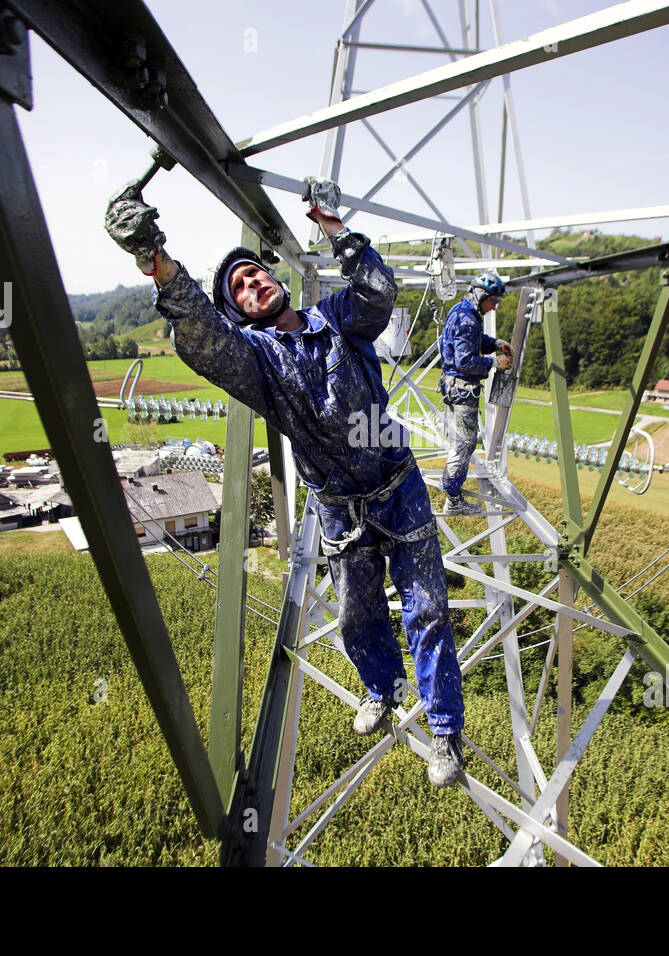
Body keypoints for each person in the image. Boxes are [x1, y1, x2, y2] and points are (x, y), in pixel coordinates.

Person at [104, 176, 466, 786]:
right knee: (357, 613)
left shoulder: (338, 320)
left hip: (397, 488)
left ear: (276, 279)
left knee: (427, 610)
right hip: (338, 507)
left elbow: (378, 292)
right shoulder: (255, 363)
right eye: (240, 288)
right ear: (238, 312)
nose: (253, 283)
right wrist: (157, 263)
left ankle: (446, 731)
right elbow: (201, 339)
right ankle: (380, 688)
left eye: (255, 273)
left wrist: (334, 228)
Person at [437, 273, 513, 516]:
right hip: (462, 390)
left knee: (459, 442)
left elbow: (473, 341)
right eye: (494, 301)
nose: (495, 307)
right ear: (482, 296)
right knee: (465, 443)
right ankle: (453, 499)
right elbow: (466, 361)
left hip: (451, 386)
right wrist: (494, 362)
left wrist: (494, 343)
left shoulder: (461, 311)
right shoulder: (469, 319)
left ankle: (450, 488)